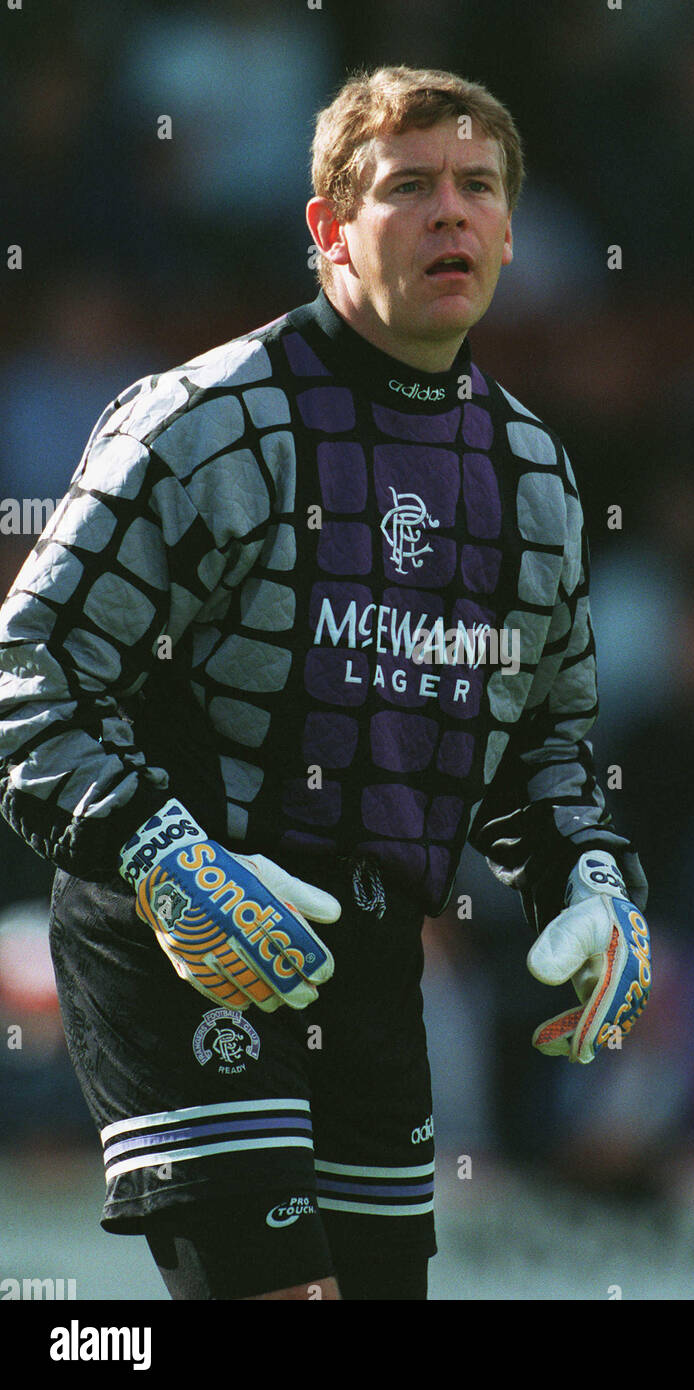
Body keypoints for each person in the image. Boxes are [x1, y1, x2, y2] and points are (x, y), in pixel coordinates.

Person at [0, 66, 650, 1301]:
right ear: (328, 227)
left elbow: (539, 746)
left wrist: (590, 875)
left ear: (510, 229)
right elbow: (27, 671)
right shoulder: (200, 422)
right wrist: (161, 856)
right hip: (174, 940)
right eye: (408, 186)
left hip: (371, 959)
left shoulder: (533, 475)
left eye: (477, 187)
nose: (449, 212)